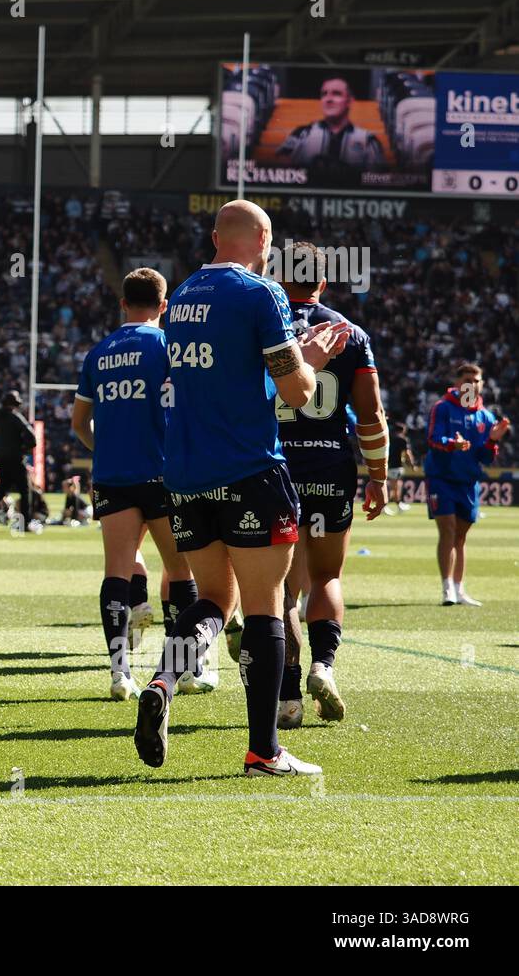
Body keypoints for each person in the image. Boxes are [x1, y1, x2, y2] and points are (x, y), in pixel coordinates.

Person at [133, 199, 348, 778]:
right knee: (264, 607)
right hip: (250, 467)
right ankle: (264, 750)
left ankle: (163, 680)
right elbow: (297, 392)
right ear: (264, 241)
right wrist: (312, 358)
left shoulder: (178, 299)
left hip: (185, 473)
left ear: (214, 237)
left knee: (211, 599)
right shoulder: (263, 294)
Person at [274, 243, 388, 729]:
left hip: (275, 467)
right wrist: (379, 477)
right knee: (326, 578)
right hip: (331, 468)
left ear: (279, 279)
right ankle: (324, 666)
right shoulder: (350, 332)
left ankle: (288, 698)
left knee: (279, 589)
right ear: (324, 281)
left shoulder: (266, 327)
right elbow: (371, 414)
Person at [72, 267, 199, 701]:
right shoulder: (170, 346)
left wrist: (104, 447)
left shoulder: (99, 352)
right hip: (165, 474)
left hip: (113, 476)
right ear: (164, 307)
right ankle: (183, 670)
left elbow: (78, 422)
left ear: (122, 303)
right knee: (180, 571)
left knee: (117, 571)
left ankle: (119, 672)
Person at [424, 363, 510, 607]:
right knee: (448, 530)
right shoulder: (443, 408)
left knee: (460, 538)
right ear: (458, 383)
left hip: (468, 481)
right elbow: (432, 439)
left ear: (481, 385)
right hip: (441, 477)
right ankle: (447, 588)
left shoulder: (486, 416)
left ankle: (460, 589)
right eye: (467, 380)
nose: (472, 384)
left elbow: (485, 457)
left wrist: (492, 441)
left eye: (476, 381)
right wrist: (453, 443)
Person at [277, 76, 386, 183]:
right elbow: (278, 171)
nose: (328, 99)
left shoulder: (368, 139)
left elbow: (378, 180)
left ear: (349, 101)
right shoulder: (301, 133)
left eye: (336, 94)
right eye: (324, 94)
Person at [0, 391, 36, 533]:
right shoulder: (15, 416)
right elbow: (31, 436)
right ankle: (25, 523)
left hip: (2, 458)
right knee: (24, 491)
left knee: (1, 490)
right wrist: (24, 447)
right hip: (16, 458)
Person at [386, 421, 415, 514]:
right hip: (396, 466)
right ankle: (387, 506)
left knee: (393, 486)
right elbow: (407, 454)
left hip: (387, 465)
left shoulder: (389, 438)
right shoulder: (402, 439)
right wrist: (412, 465)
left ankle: (398, 505)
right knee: (395, 487)